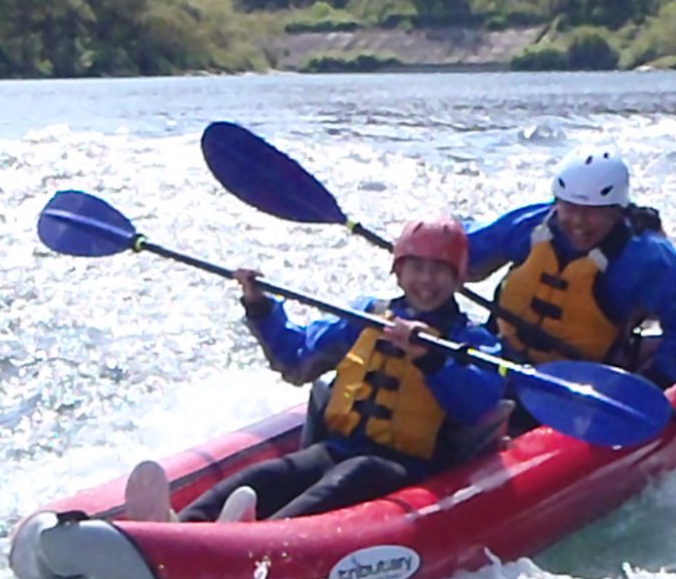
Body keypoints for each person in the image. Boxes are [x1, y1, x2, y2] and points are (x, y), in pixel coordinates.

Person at [125, 218, 506, 524]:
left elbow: (478, 403)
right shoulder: (366, 317)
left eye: (439, 270)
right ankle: (181, 525)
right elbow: (296, 357)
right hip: (338, 447)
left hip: (406, 468)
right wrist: (260, 306)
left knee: (350, 476)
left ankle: (249, 540)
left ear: (457, 278)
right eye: (416, 267)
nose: (426, 280)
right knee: (268, 476)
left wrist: (430, 357)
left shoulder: (470, 339)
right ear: (398, 272)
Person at [463, 145, 676, 393]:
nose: (578, 222)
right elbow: (464, 251)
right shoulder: (528, 227)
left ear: (616, 211)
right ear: (557, 203)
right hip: (502, 360)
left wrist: (654, 381)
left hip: (585, 386)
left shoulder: (643, 258)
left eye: (593, 211)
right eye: (570, 208)